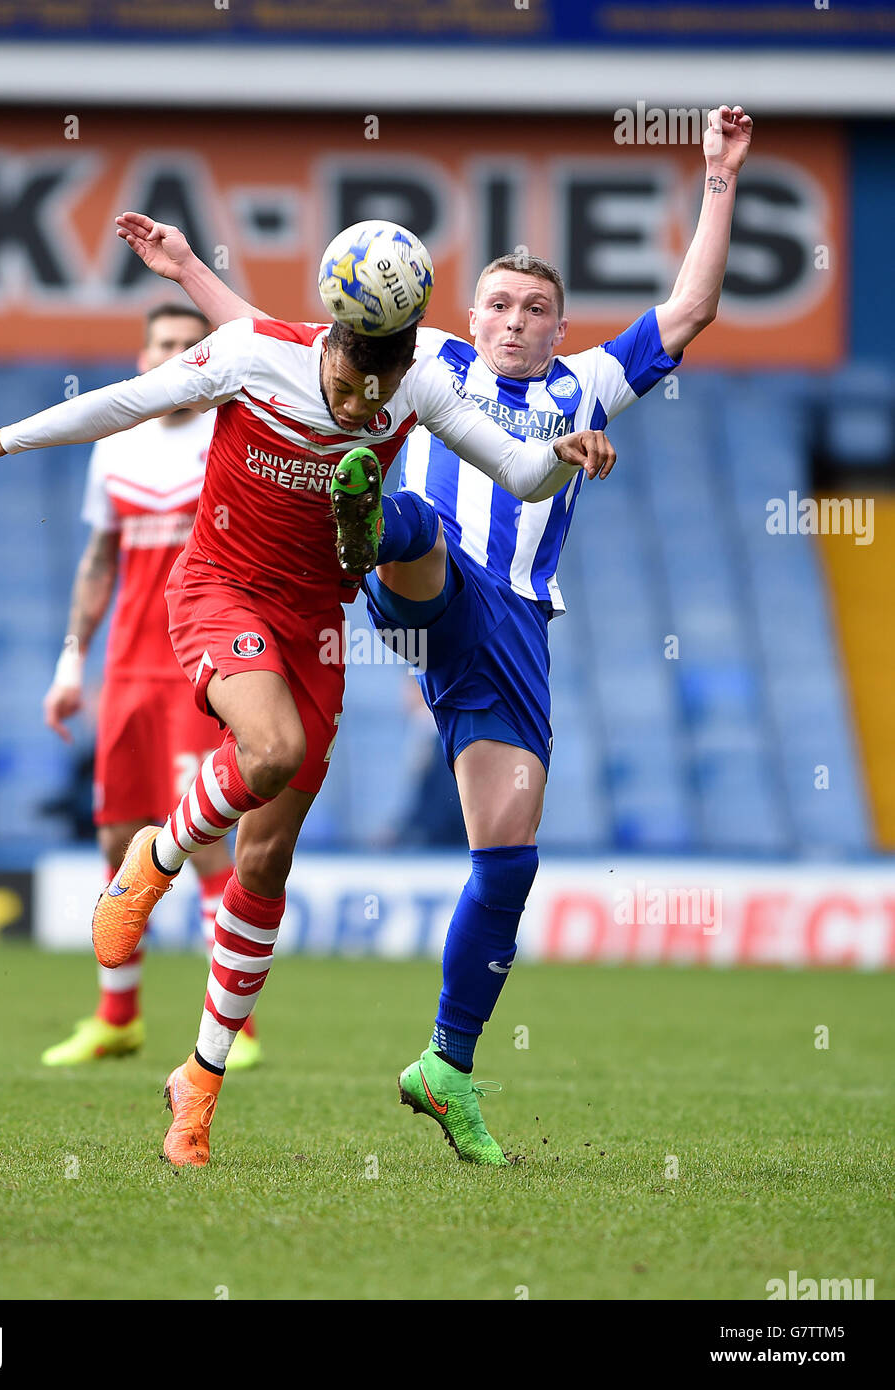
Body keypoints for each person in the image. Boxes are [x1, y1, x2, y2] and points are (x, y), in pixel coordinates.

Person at [111, 103, 753, 1165]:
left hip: (513, 635)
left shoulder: (585, 386)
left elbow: (690, 310)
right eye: (497, 301)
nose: (512, 319)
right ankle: (375, 521)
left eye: (535, 307)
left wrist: (719, 174)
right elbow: (270, 347)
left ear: (559, 323)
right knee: (420, 534)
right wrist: (190, 274)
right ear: (466, 311)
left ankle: (446, 1064)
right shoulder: (424, 364)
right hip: (419, 579)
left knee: (508, 858)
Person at [0, 274, 616, 1168]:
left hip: (312, 622)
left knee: (264, 858)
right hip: (221, 587)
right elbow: (129, 401)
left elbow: (522, 472)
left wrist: (568, 448)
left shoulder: (416, 382)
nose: (362, 405)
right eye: (350, 389)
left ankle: (198, 1088)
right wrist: (2, 441)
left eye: (381, 393)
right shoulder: (256, 355)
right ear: (332, 347)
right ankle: (155, 860)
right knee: (271, 748)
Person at [39, 302, 261, 1073]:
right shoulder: (115, 448)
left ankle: (237, 1027)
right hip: (129, 665)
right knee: (116, 832)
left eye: (188, 347)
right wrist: (73, 661)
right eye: (163, 346)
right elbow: (100, 561)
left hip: (199, 663)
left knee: (200, 839)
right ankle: (117, 1019)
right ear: (144, 361)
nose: (175, 358)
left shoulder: (231, 437)